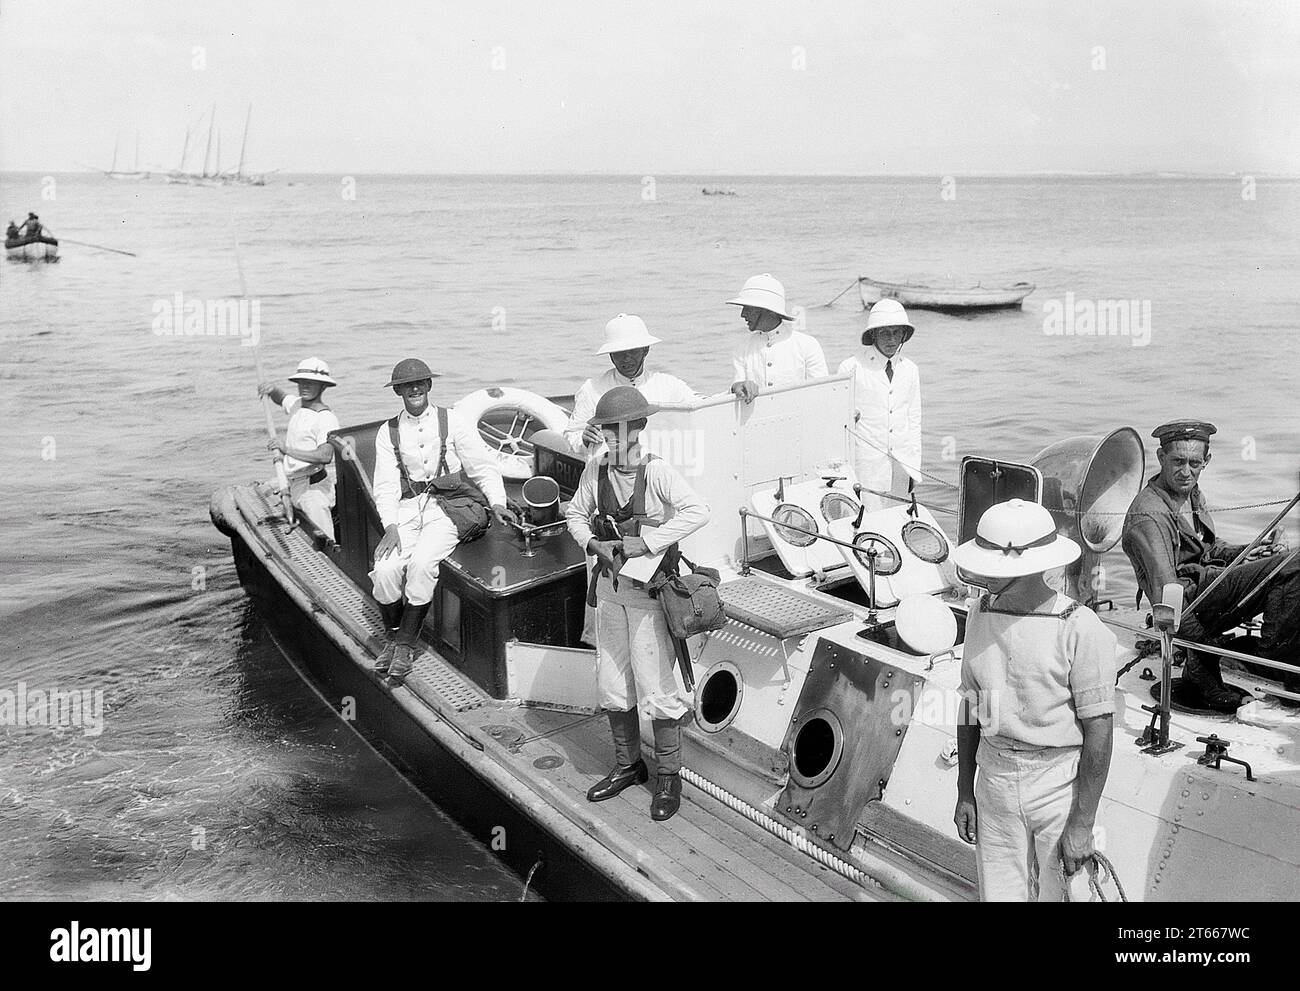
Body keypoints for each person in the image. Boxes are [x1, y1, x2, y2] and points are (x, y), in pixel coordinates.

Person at [952, 498, 1117, 901]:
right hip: (995, 779)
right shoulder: (978, 613)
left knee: (1064, 896)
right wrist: (964, 789)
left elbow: (1100, 728)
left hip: (1060, 783)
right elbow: (972, 707)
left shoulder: (1080, 627)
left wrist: (1082, 823)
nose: (984, 576)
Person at [565, 386, 710, 821]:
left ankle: (669, 778)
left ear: (639, 429)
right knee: (612, 681)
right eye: (605, 428)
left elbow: (697, 511)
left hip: (648, 597)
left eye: (617, 429)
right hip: (609, 594)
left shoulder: (658, 471)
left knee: (657, 684)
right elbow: (574, 514)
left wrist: (646, 542)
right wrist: (593, 542)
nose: (609, 437)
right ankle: (628, 765)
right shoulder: (595, 471)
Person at [1121, 419, 1300, 708]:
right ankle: (1273, 660)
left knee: (1287, 563)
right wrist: (1204, 651)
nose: (1186, 471)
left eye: (1194, 463)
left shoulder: (1189, 492)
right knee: (1295, 565)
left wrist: (1253, 552)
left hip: (1209, 586)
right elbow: (1168, 598)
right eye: (1178, 461)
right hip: (1191, 601)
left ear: (1206, 461)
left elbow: (1208, 547)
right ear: (1161, 457)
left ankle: (1276, 657)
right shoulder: (1150, 517)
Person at [371, 358, 519, 686]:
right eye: (407, 385)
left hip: (447, 508)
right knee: (384, 570)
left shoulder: (452, 421)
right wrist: (390, 526)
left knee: (423, 564)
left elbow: (483, 466)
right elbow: (384, 487)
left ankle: (405, 647)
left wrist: (497, 502)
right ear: (397, 391)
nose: (414, 389)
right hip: (407, 512)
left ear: (429, 386)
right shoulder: (388, 432)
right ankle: (392, 638)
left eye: (420, 383)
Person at [563, 313, 696, 456]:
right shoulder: (592, 389)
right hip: (607, 470)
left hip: (655, 468)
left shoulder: (669, 385)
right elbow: (570, 438)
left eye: (633, 351)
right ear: (610, 355)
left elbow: (701, 408)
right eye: (619, 353)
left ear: (645, 350)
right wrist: (583, 438)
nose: (626, 358)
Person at [838, 299, 922, 511]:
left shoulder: (910, 369)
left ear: (904, 334)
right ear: (873, 334)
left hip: (901, 466)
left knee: (897, 526)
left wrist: (914, 469)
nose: (891, 339)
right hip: (865, 468)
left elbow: (914, 421)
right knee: (862, 528)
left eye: (897, 332)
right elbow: (839, 423)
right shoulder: (851, 367)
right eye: (885, 333)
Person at [257, 357, 341, 540]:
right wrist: (272, 390)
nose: (304, 387)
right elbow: (282, 399)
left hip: (314, 491)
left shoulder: (326, 418)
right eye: (301, 382)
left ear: (323, 387)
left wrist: (286, 450)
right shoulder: (298, 405)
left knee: (324, 541)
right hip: (294, 485)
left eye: (310, 383)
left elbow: (325, 455)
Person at [727, 273, 827, 404]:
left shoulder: (806, 345)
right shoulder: (743, 348)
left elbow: (823, 393)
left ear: (769, 311)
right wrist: (737, 387)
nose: (742, 314)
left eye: (748, 308)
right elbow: (735, 391)